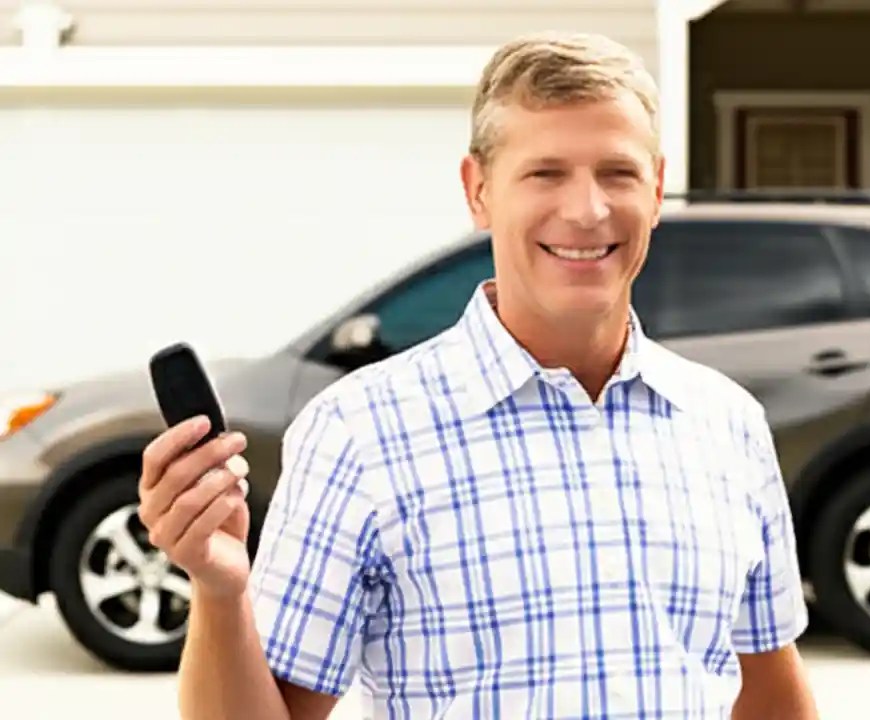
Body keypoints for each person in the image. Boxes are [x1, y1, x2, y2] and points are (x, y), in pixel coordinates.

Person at [136, 30, 819, 720]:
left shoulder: (728, 426)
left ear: (658, 188)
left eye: (618, 172)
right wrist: (220, 593)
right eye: (545, 173)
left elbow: (770, 696)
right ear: (479, 190)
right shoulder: (359, 434)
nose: (587, 210)